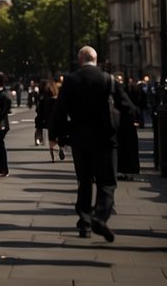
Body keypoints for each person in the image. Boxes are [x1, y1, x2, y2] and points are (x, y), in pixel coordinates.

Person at [51, 45, 137, 242]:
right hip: (106, 139)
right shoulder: (108, 79)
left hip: (80, 140)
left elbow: (60, 110)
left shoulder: (72, 80)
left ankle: (85, 223)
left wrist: (56, 135)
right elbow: (128, 108)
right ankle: (100, 216)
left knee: (84, 181)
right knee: (107, 182)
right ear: (96, 60)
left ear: (81, 60)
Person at [116, 75, 142, 180]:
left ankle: (124, 171)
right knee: (127, 149)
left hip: (123, 125)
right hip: (126, 126)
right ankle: (128, 171)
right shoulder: (122, 93)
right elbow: (132, 108)